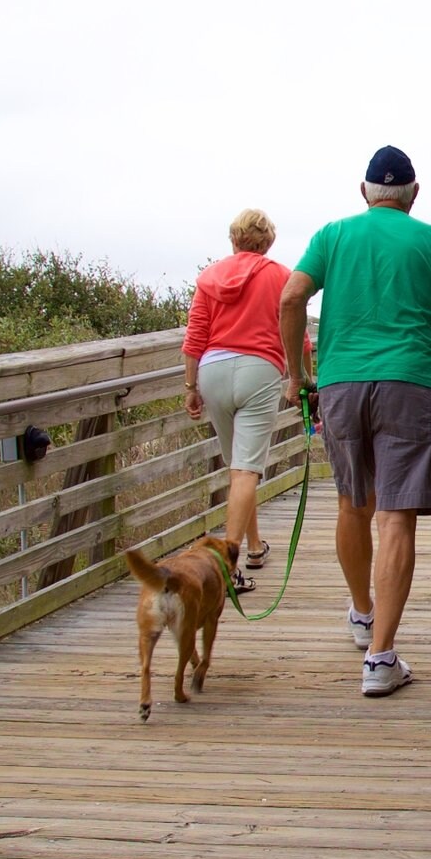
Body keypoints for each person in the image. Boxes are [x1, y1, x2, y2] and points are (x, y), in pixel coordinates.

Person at [280, 145, 431, 697]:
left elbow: (292, 295)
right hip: (407, 383)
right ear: (414, 193)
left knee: (352, 503)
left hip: (341, 384)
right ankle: (380, 659)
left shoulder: (333, 236)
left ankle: (362, 613)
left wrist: (297, 374)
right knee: (395, 517)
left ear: (364, 192)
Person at [183, 208, 297, 596]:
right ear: (267, 244)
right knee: (247, 471)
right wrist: (301, 377)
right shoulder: (281, 276)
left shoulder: (209, 276)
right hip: (259, 369)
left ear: (233, 240)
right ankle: (227, 570)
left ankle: (253, 547)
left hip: (212, 369)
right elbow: (297, 334)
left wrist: (190, 386)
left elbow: (195, 334)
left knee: (238, 467)